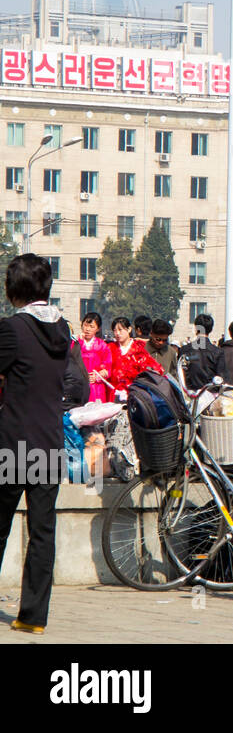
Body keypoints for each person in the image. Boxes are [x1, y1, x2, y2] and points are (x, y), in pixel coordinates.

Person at [0, 255, 71, 633]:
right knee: (43, 532)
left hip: (14, 441)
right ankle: (33, 617)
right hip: (49, 441)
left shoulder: (13, 329)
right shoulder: (64, 330)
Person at [108, 315, 163, 391]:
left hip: (134, 391)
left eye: (120, 330)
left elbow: (153, 367)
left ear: (129, 329)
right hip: (114, 391)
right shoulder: (110, 348)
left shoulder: (138, 347)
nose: (117, 333)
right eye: (115, 330)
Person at [78, 312, 112, 404]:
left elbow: (108, 369)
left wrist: (97, 376)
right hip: (78, 386)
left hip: (96, 389)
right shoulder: (75, 343)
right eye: (85, 325)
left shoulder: (102, 346)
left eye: (92, 326)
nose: (87, 329)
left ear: (98, 329)